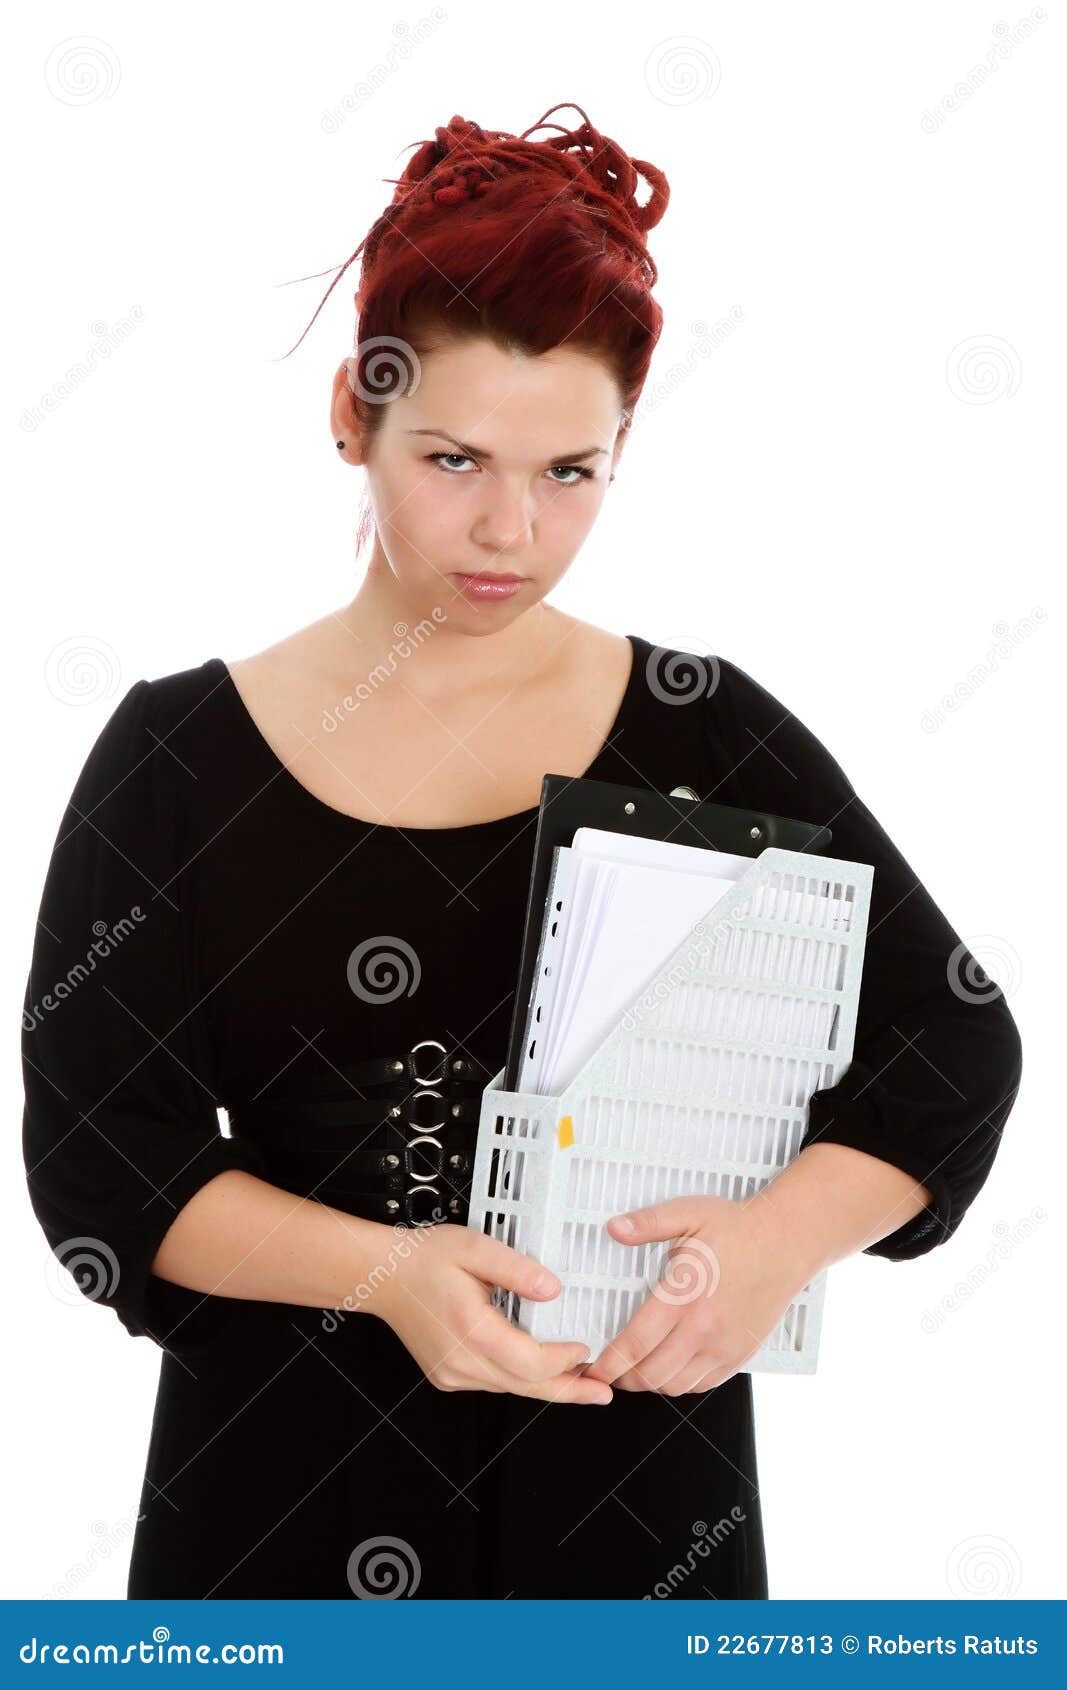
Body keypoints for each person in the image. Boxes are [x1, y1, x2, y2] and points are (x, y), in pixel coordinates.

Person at [21, 103, 1022, 1600]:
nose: (509, 531)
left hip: (630, 1494)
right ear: (352, 418)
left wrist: (773, 1243)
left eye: (572, 473)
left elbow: (953, 1039)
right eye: (453, 457)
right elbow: (101, 1155)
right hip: (274, 1491)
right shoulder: (175, 759)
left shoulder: (701, 727)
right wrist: (389, 1273)